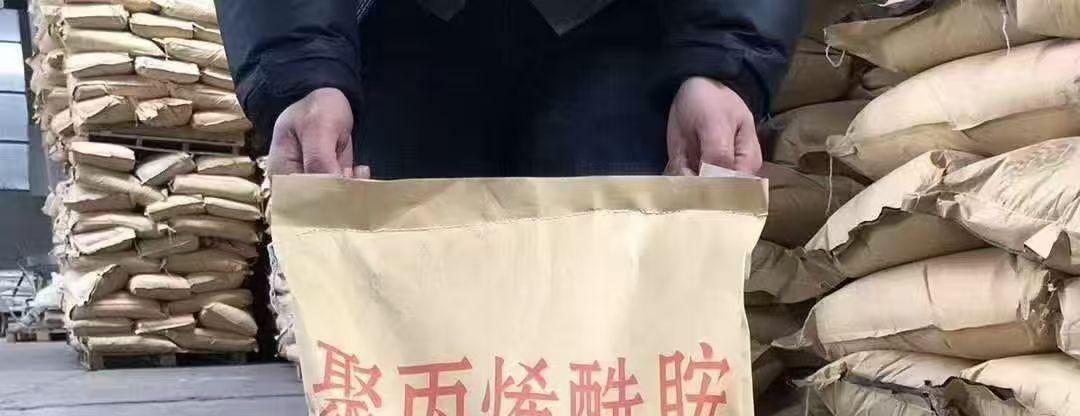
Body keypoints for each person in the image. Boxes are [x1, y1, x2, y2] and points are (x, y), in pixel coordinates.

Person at [216, 0, 800, 180]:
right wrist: (307, 71)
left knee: (612, 327)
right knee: (407, 326)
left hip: (622, 40)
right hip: (406, 41)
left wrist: (721, 60)